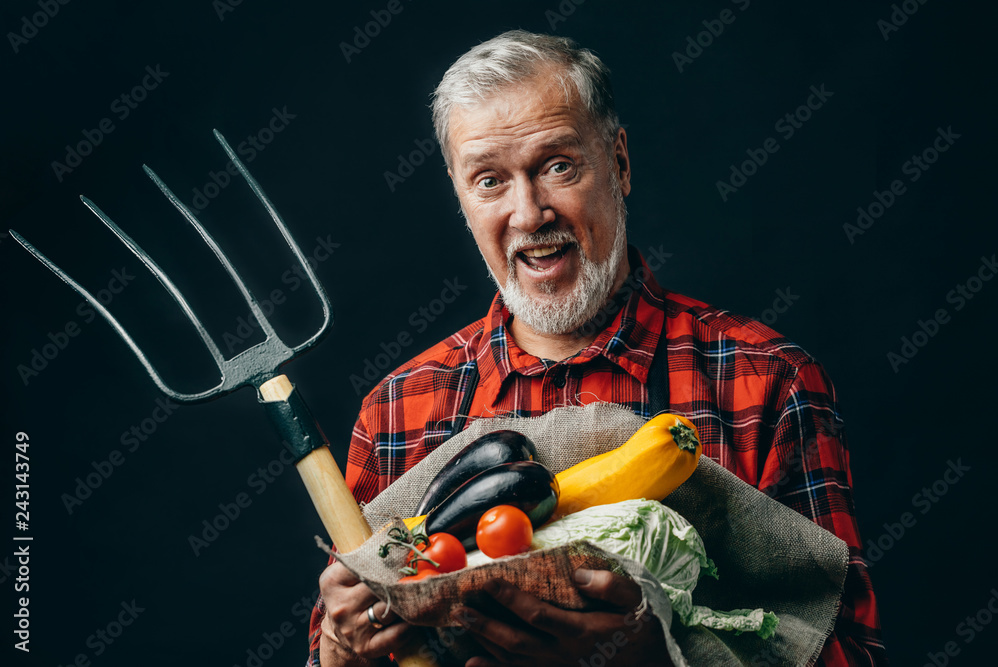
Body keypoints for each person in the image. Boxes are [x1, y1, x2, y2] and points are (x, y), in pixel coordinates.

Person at [307, 30, 886, 666]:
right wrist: (340, 648)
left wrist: (661, 658)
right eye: (489, 180)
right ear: (460, 196)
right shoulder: (399, 408)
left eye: (558, 166)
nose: (529, 214)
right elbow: (333, 646)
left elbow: (844, 646)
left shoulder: (767, 382)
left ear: (620, 163)